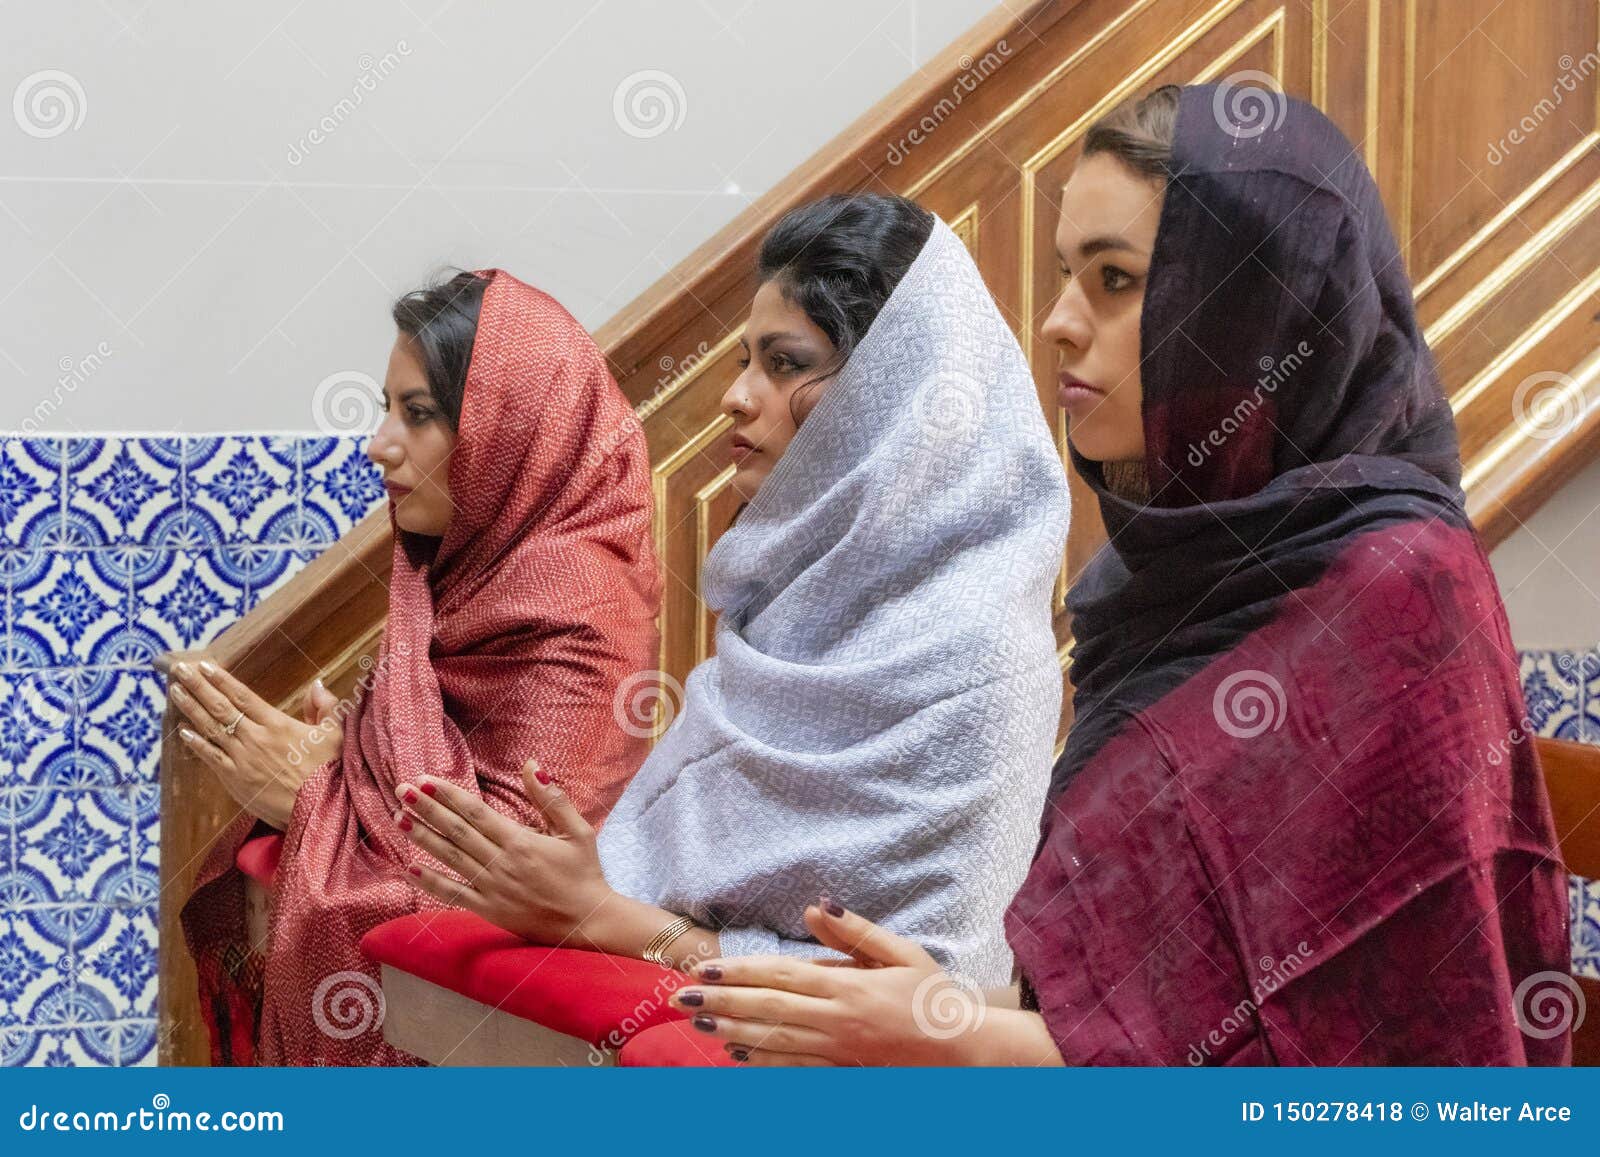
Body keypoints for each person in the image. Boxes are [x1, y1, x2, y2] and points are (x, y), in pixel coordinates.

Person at [657, 85, 1572, 1066]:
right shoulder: (1162, 574)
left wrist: (960, 1039)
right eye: (1062, 273)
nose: (1055, 321)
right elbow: (1134, 1006)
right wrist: (944, 1016)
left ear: (1256, 305)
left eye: (1115, 279)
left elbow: (1363, 1062)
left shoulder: (1401, 591)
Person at [393, 194, 1072, 990]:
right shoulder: (780, 610)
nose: (737, 396)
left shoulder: (979, 656)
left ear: (891, 395)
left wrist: (609, 920)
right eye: (744, 361)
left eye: (783, 363)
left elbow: (939, 992)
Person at [175, 270, 660, 1064]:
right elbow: (421, 777)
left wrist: (312, 796)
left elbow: (494, 882)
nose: (379, 444)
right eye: (385, 408)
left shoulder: (573, 608)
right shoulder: (468, 567)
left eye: (420, 414)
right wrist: (347, 763)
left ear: (510, 432)